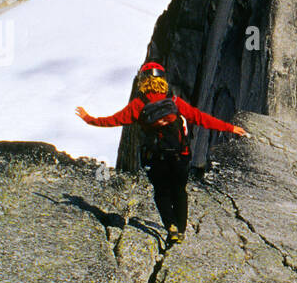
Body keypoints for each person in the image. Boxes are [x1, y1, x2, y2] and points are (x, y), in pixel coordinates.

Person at [76, 61, 247, 245]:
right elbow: (200, 118)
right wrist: (230, 127)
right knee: (179, 192)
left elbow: (113, 120)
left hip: (156, 158)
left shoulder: (138, 105)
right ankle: (180, 230)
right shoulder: (173, 101)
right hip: (180, 155)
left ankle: (171, 226)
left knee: (161, 193)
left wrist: (90, 119)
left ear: (142, 81)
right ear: (163, 80)